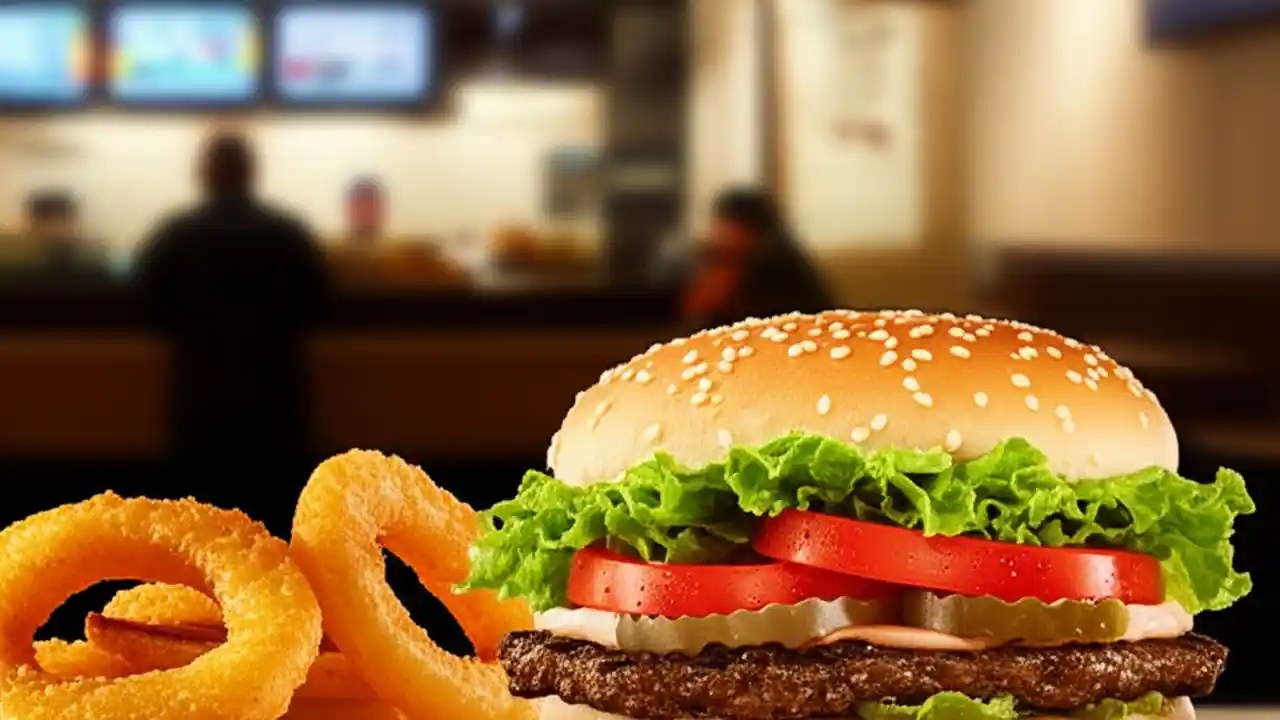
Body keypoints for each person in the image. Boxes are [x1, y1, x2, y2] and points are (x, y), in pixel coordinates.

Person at [136, 132, 330, 527]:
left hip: (203, 393)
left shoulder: (178, 235)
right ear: (251, 173)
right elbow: (319, 306)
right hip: (274, 396)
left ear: (205, 174)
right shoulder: (286, 234)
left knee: (203, 519)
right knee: (273, 516)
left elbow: (150, 308)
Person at [682, 188, 832, 328]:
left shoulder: (782, 266)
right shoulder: (711, 258)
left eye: (730, 224)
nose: (719, 231)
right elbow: (696, 310)